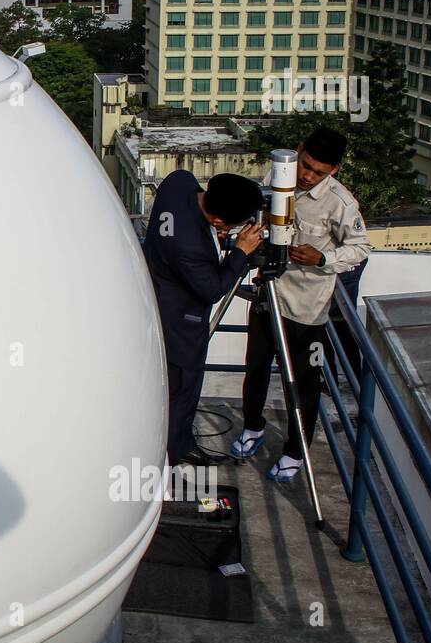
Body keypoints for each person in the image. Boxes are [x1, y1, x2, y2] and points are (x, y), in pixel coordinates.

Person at [231, 127, 372, 481]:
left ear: (334, 170)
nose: (307, 176)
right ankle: (252, 427)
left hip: (308, 309)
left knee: (304, 384)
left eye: (318, 172)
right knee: (256, 367)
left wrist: (322, 258)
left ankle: (296, 451)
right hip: (269, 294)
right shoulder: (278, 178)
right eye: (305, 165)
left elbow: (360, 248)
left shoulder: (341, 203)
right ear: (297, 152)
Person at [144, 171, 264, 467]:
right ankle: (172, 453)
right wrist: (240, 252)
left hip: (155, 290)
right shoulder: (189, 247)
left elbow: (189, 209)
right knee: (181, 390)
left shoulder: (178, 184)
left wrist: (213, 232)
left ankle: (176, 443)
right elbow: (213, 289)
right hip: (178, 321)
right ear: (219, 221)